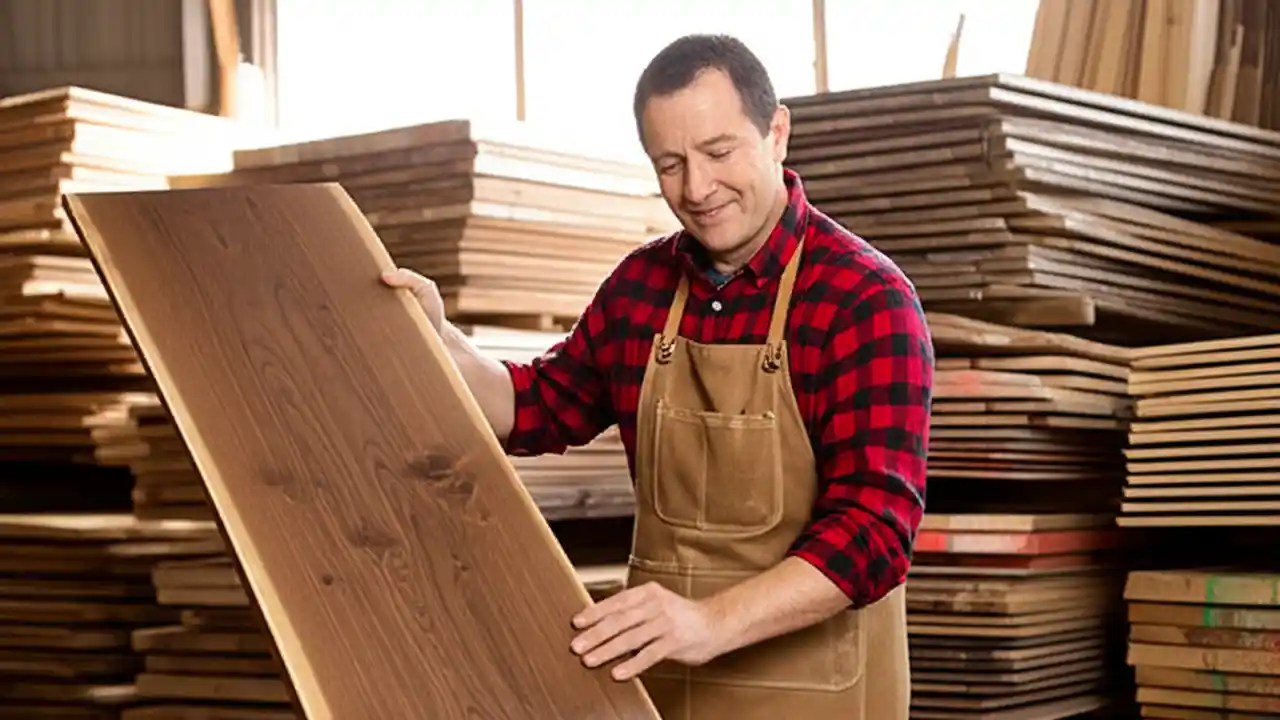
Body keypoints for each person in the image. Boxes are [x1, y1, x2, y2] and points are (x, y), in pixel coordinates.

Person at [383, 33, 933, 720]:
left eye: (718, 152)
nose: (697, 189)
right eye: (669, 164)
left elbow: (874, 531)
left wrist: (709, 623)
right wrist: (437, 342)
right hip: (662, 691)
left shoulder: (863, 297)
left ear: (777, 133)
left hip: (815, 696)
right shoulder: (641, 286)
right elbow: (536, 407)